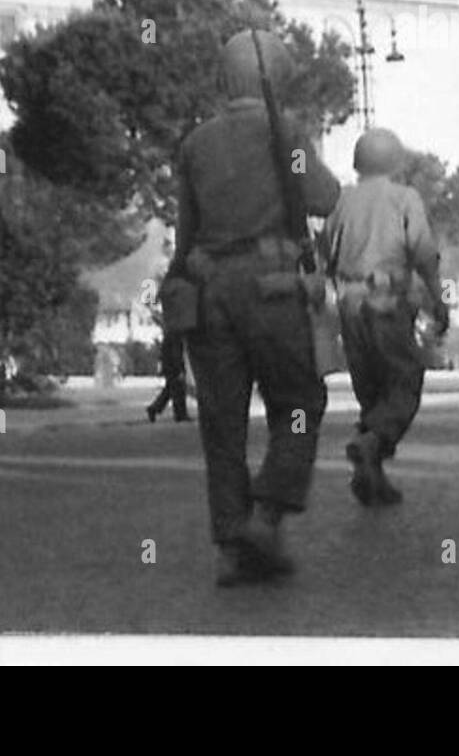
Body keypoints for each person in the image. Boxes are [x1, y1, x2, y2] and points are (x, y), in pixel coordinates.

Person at [166, 29, 340, 586]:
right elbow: (324, 197)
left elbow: (186, 232)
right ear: (280, 79)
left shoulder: (195, 144)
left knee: (222, 426)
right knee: (298, 404)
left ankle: (230, 549)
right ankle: (266, 516)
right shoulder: (283, 131)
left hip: (211, 290)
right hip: (272, 289)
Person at [323, 127, 445, 507]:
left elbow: (325, 251)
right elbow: (423, 252)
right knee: (404, 382)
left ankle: (371, 473)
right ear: (395, 160)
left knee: (371, 392)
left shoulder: (340, 201)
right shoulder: (403, 198)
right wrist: (437, 298)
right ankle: (371, 442)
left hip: (349, 304)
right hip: (387, 301)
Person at [146, 331, 191, 423]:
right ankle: (180, 414)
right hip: (173, 367)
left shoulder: (169, 335)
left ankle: (154, 408)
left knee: (170, 390)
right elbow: (176, 354)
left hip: (168, 366)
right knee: (178, 390)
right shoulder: (176, 336)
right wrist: (180, 369)